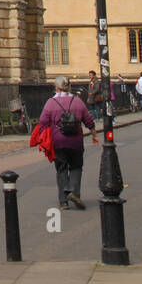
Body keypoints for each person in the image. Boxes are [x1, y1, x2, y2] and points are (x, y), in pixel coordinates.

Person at [38, 75, 96, 210]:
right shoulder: (77, 101)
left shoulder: (50, 103)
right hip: (76, 142)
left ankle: (63, 201)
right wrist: (94, 135)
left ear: (57, 87)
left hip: (58, 142)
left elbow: (43, 122)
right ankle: (74, 193)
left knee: (61, 169)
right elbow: (88, 120)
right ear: (69, 87)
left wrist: (44, 137)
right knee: (76, 167)